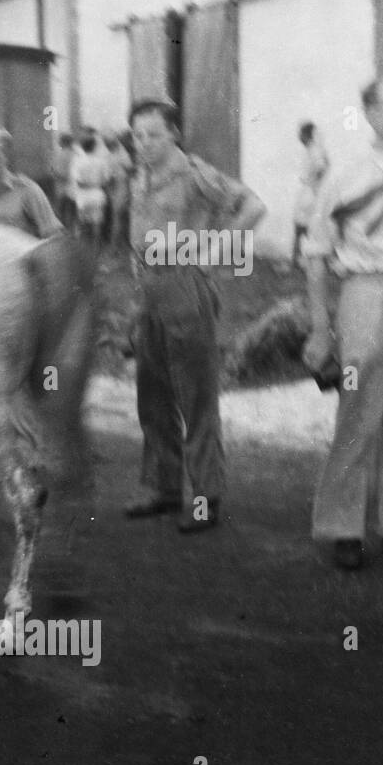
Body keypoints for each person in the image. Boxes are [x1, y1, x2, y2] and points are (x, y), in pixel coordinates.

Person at [122, 99, 266, 532]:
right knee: (152, 397)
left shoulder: (195, 174)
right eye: (138, 135)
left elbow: (253, 206)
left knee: (197, 400)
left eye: (153, 134)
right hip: (149, 292)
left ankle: (206, 500)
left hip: (186, 288)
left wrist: (213, 252)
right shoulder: (140, 177)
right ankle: (163, 489)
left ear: (175, 135)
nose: (143, 143)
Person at [301, 76, 383, 569]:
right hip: (366, 293)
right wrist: (321, 328)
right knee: (359, 409)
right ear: (371, 114)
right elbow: (317, 252)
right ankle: (343, 526)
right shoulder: (346, 174)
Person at [293, 121, 330, 272]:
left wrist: (315, 186)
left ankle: (301, 259)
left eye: (301, 134)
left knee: (304, 226)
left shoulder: (314, 149)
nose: (299, 137)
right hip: (309, 191)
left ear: (306, 135)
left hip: (311, 192)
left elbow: (321, 168)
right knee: (302, 226)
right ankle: (299, 259)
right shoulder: (311, 149)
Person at [70, 129, 110, 243]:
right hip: (98, 195)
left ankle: (83, 252)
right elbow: (106, 181)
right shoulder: (101, 161)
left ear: (82, 147)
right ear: (94, 146)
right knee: (96, 226)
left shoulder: (77, 161)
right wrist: (96, 184)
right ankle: (95, 252)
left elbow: (78, 182)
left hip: (83, 197)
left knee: (82, 226)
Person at [49, 133, 76, 225]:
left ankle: (63, 230)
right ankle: (73, 231)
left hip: (61, 186)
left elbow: (53, 170)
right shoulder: (76, 154)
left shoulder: (58, 155)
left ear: (63, 142)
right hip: (74, 186)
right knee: (73, 211)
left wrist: (56, 175)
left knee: (61, 210)